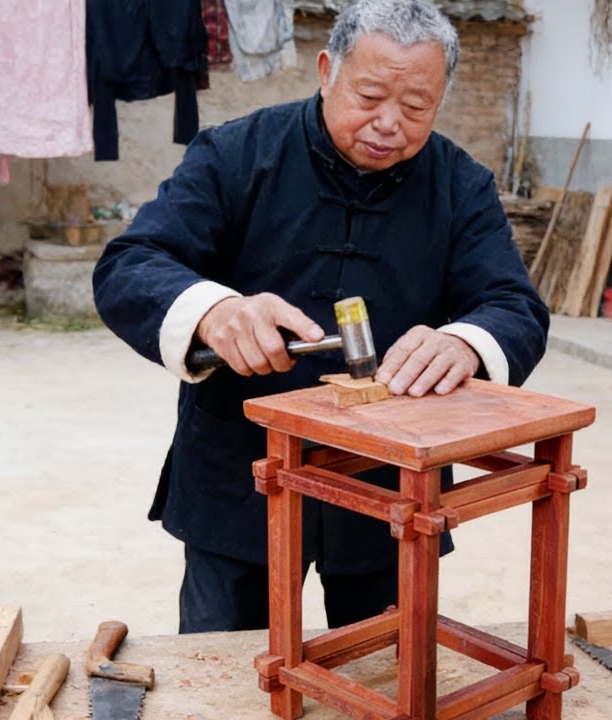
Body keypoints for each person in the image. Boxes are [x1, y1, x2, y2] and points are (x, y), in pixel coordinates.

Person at [93, 0, 549, 634]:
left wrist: (467, 344)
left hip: (395, 482)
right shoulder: (236, 153)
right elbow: (130, 264)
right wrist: (215, 311)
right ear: (327, 70)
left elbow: (514, 305)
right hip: (239, 468)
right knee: (232, 671)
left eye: (416, 107)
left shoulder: (460, 184)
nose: (389, 123)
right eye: (369, 95)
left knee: (383, 670)